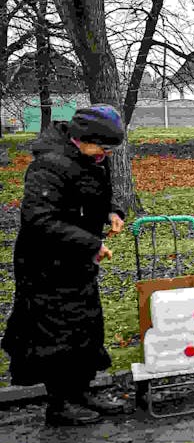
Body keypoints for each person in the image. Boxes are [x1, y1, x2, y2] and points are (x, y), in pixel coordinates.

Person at [2, 105, 130, 426]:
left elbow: (97, 195)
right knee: (55, 332)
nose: (107, 154)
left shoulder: (93, 159)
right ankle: (59, 403)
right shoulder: (47, 166)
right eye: (103, 147)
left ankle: (82, 391)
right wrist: (91, 243)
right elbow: (39, 220)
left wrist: (112, 213)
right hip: (45, 265)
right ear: (82, 139)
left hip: (76, 260)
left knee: (85, 323)